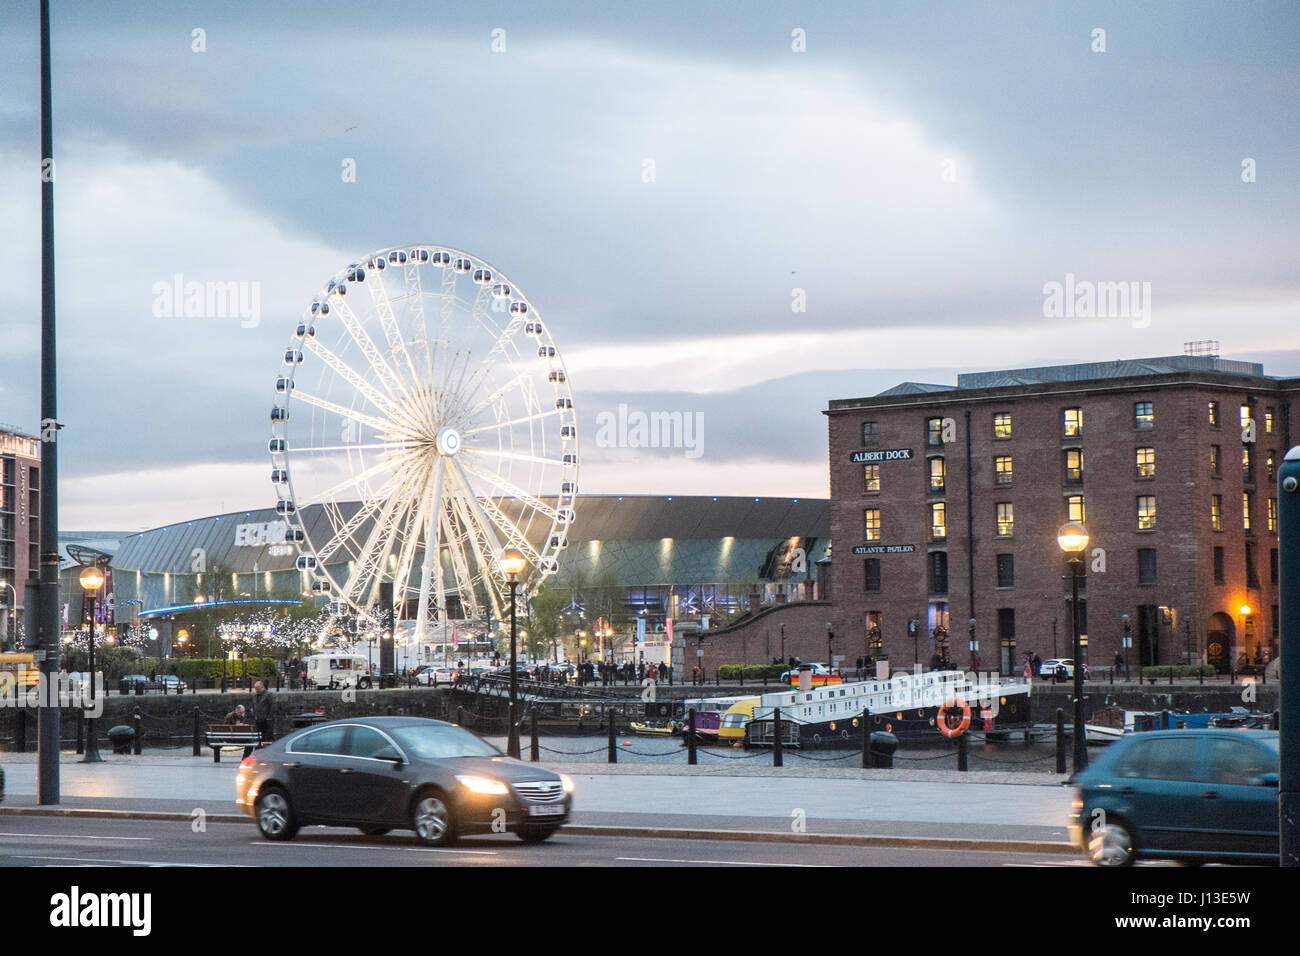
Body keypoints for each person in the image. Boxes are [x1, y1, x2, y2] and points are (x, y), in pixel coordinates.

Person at [251, 680, 274, 748]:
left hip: (266, 720)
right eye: (255, 689)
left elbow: (273, 706)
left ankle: (268, 750)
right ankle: (259, 749)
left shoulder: (268, 694)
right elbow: (253, 706)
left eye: (258, 689)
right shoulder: (255, 696)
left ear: (262, 687)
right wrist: (254, 714)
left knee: (268, 737)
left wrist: (269, 717)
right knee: (259, 737)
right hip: (258, 720)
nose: (256, 690)